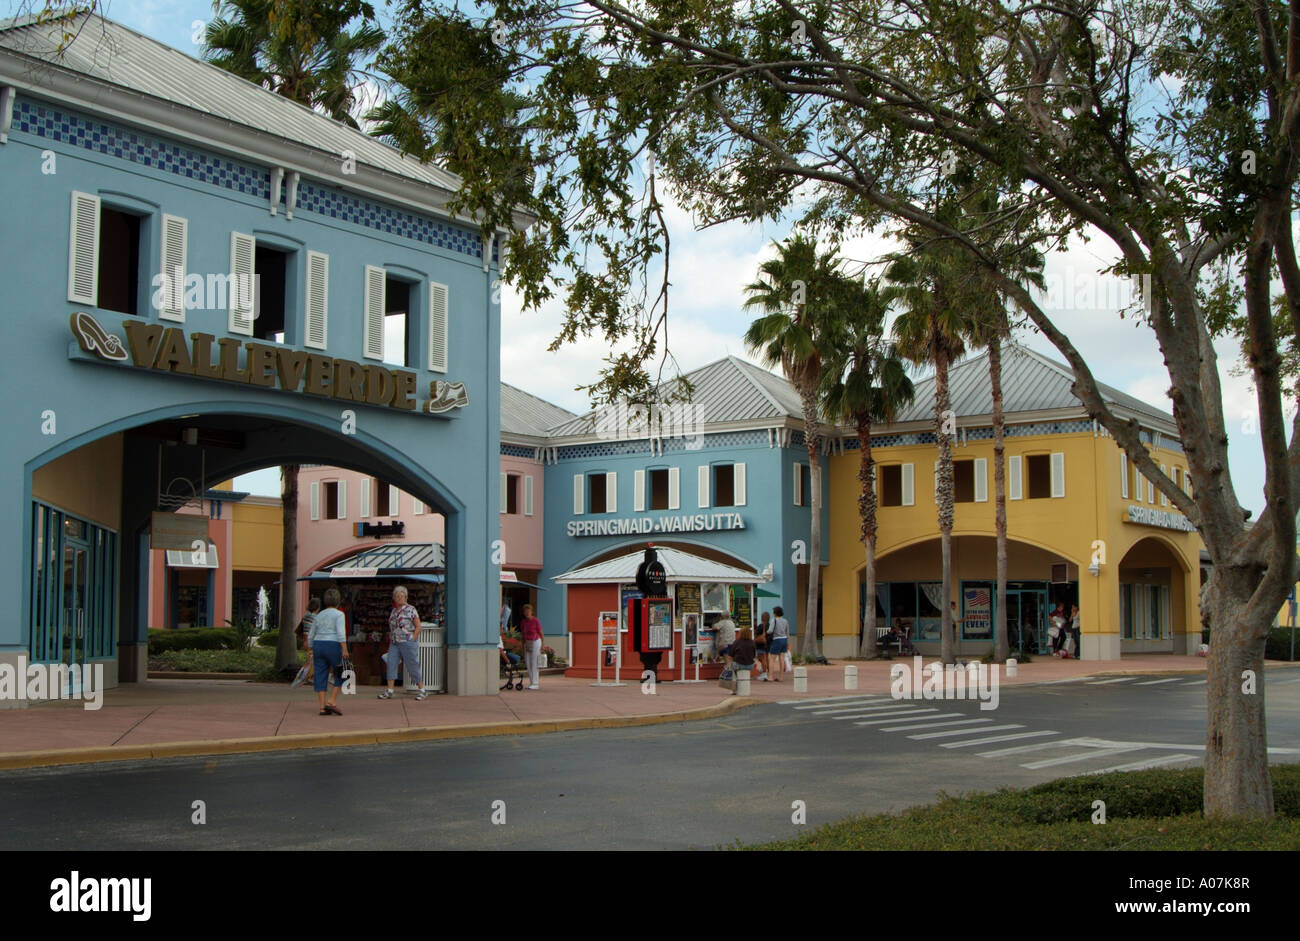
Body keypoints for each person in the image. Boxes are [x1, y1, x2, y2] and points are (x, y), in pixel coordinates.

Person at [378, 585, 426, 701]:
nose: (399, 598)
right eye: (397, 596)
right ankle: (390, 690)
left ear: (406, 597)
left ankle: (422, 690)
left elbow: (418, 626)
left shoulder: (411, 609)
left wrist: (413, 638)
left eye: (402, 596)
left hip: (407, 641)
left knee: (412, 665)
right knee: (391, 663)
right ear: (394, 598)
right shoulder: (394, 611)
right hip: (395, 642)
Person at [306, 587, 349, 716]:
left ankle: (322, 707)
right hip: (333, 644)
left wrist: (310, 647)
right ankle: (332, 700)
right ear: (338, 601)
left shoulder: (319, 615)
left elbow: (311, 634)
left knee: (320, 674)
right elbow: (341, 633)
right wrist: (345, 648)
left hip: (318, 645)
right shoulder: (339, 614)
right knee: (342, 672)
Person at [520, 603, 545, 690]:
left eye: (528, 611)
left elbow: (541, 633)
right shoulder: (523, 622)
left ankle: (535, 683)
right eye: (525, 612)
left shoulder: (535, 620)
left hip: (535, 642)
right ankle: (531, 682)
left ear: (531, 612)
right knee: (528, 662)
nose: (527, 613)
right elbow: (522, 635)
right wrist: (522, 646)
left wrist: (543, 645)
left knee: (534, 662)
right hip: (527, 643)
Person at [768, 606, 790, 681]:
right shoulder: (785, 621)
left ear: (775, 613)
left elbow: (770, 630)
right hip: (784, 639)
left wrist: (766, 633)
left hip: (777, 639)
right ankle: (781, 677)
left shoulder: (774, 620)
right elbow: (787, 632)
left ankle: (770, 676)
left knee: (772, 658)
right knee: (782, 658)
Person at [755, 611, 771, 680]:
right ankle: (767, 671)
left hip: (761, 645)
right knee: (766, 659)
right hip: (768, 644)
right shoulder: (770, 626)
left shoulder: (761, 626)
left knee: (762, 658)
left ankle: (764, 673)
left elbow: (756, 634)